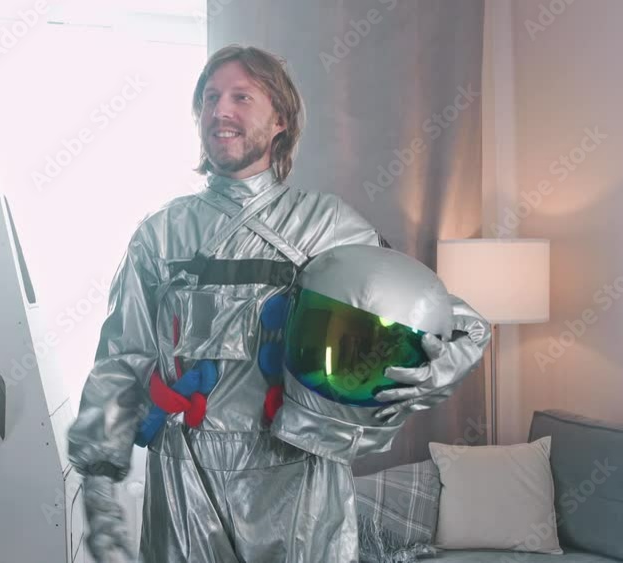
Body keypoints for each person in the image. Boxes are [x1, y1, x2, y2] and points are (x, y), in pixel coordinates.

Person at [67, 45, 490, 563]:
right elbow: (122, 358)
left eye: (241, 97)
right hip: (184, 472)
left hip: (297, 469)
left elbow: (455, 322)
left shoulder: (327, 226)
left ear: (281, 121)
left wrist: (430, 370)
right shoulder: (161, 236)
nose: (220, 111)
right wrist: (98, 486)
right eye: (210, 97)